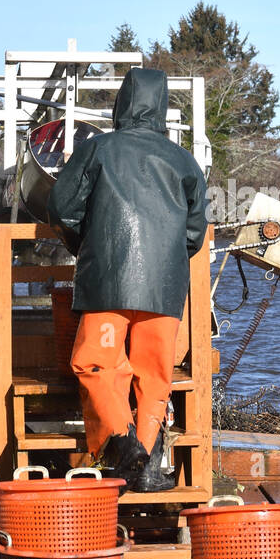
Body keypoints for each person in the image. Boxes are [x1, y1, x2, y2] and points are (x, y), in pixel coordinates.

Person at [47, 67, 208, 491]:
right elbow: (195, 233)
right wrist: (168, 262)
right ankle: (147, 465)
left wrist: (87, 245)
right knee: (154, 374)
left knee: (95, 363)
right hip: (165, 287)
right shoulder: (184, 160)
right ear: (161, 107)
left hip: (107, 281)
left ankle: (124, 445)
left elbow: (62, 207)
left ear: (121, 105)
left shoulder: (98, 149)